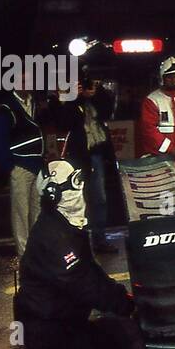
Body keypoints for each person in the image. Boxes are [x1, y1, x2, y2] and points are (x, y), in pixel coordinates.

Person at [14, 160, 135, 349]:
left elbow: (90, 270)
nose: (80, 189)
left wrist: (122, 297)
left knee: (117, 346)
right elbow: (84, 284)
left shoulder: (65, 224)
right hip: (48, 324)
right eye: (74, 183)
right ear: (53, 195)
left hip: (63, 317)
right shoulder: (56, 239)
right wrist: (125, 305)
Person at [57, 79, 117, 253]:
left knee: (99, 198)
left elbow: (108, 111)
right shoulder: (68, 97)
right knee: (76, 200)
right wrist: (74, 97)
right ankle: (76, 241)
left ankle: (99, 239)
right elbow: (65, 122)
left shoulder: (96, 98)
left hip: (96, 153)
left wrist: (96, 93)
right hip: (76, 155)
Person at [0, 75, 46, 258]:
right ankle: (25, 257)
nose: (28, 84)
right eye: (23, 81)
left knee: (38, 214)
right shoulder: (7, 108)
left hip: (37, 165)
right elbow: (0, 140)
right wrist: (9, 167)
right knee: (21, 215)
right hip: (20, 166)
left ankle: (37, 253)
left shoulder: (36, 103)